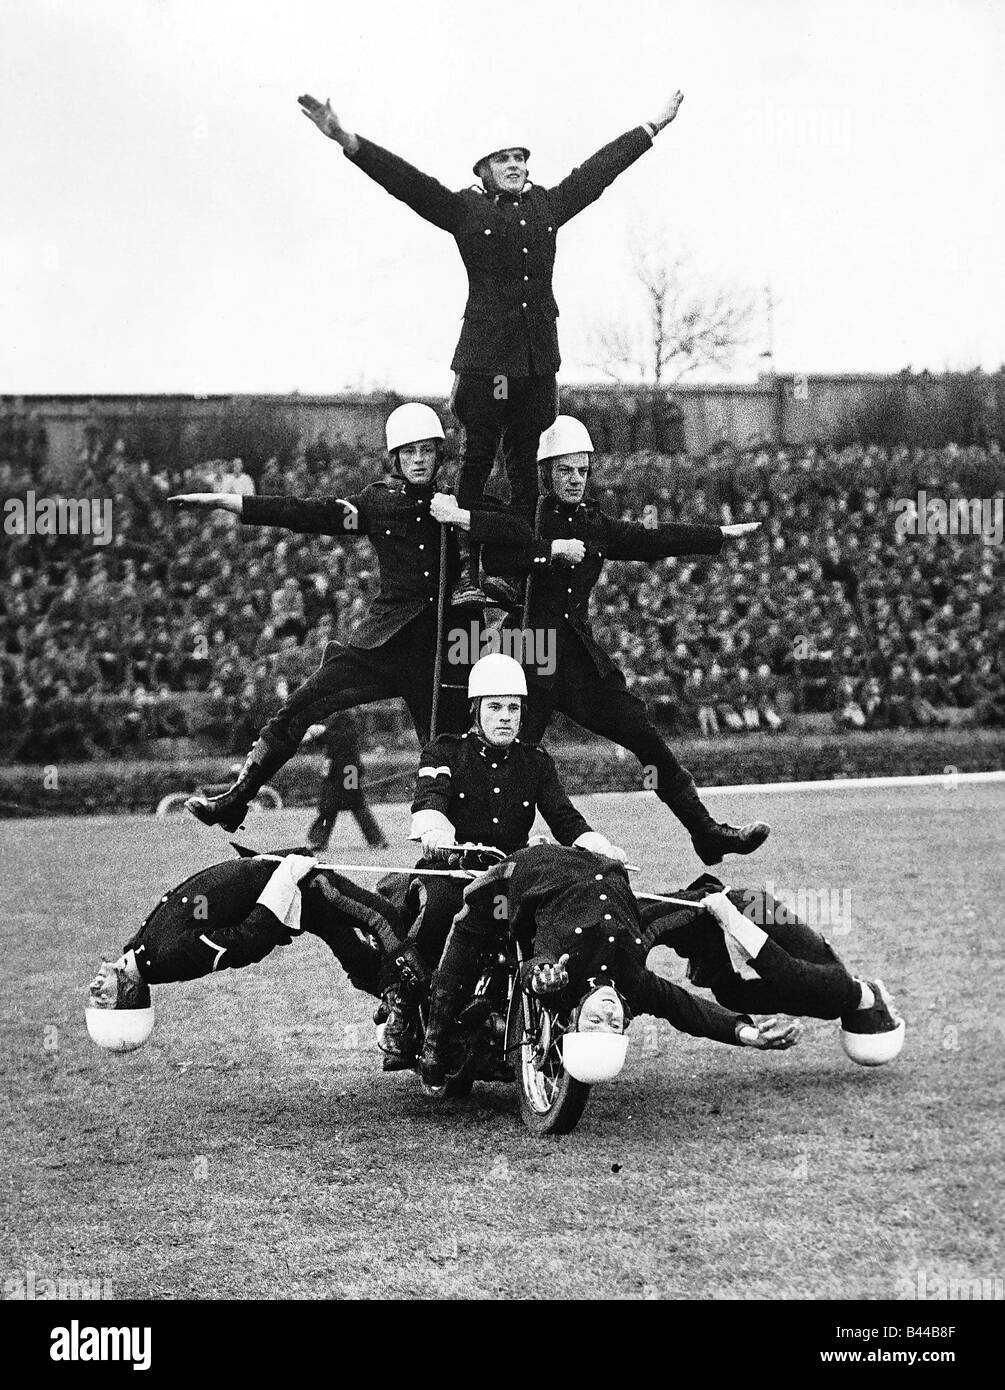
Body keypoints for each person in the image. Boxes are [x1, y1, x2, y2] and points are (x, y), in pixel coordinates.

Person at [296, 88, 685, 598]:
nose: (516, 165)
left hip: (537, 363)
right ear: (482, 169)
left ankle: (514, 568)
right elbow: (410, 185)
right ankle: (463, 570)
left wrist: (651, 128)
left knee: (525, 467)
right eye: (504, 158)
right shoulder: (467, 212)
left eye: (521, 156)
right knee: (478, 459)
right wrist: (348, 141)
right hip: (488, 366)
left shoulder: (547, 205)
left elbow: (596, 174)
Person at [168, 403, 533, 832]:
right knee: (297, 708)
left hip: (445, 651)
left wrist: (463, 519)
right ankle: (236, 800)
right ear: (395, 459)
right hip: (383, 644)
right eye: (409, 451)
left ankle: (475, 843)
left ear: (439, 455)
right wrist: (231, 502)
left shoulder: (461, 500)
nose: (418, 460)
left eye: (427, 451)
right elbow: (311, 512)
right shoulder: (378, 503)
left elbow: (520, 535)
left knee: (450, 754)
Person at [494, 416, 771, 864]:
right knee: (514, 757)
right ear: (545, 472)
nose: (576, 480)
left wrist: (715, 535)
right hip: (529, 653)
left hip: (580, 660)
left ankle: (706, 833)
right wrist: (548, 552)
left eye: (583, 470)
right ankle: (496, 853)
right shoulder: (523, 517)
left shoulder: (593, 522)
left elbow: (650, 540)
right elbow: (498, 553)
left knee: (644, 738)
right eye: (565, 470)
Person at [376, 650, 626, 1071]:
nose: (506, 716)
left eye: (513, 707)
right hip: (453, 868)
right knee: (439, 909)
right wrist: (436, 831)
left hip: (507, 876)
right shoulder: (445, 752)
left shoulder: (535, 762)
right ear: (476, 711)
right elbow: (429, 799)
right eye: (495, 707)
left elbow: (565, 818)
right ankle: (409, 1010)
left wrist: (600, 846)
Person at [419, 841, 801, 1096]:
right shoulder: (634, 986)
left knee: (467, 924)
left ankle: (433, 1042)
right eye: (613, 1025)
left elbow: (538, 965)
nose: (606, 1014)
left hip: (522, 873)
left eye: (594, 1024)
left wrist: (543, 978)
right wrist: (745, 1032)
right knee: (700, 902)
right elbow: (688, 1010)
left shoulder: (562, 978)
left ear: (573, 1020)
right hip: (610, 872)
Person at [85, 851, 408, 1050]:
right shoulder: (166, 960)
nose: (93, 987)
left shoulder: (137, 951)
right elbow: (246, 942)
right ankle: (411, 1012)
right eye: (102, 997)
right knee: (384, 920)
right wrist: (285, 877)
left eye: (94, 996)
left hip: (293, 884)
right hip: (302, 887)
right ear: (128, 992)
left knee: (358, 959)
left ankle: (405, 1009)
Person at [637, 878, 905, 1066]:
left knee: (632, 919)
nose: (894, 1002)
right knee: (634, 917)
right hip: (728, 918)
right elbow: (742, 996)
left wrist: (729, 917)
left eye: (894, 1013)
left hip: (731, 911)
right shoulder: (833, 1002)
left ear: (877, 1014)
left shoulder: (841, 989)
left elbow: (781, 970)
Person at [303, 713, 388, 853]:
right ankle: (319, 840)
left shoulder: (344, 717)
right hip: (343, 769)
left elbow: (340, 739)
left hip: (349, 769)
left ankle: (376, 840)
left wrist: (321, 733)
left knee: (355, 805)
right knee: (329, 806)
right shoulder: (339, 717)